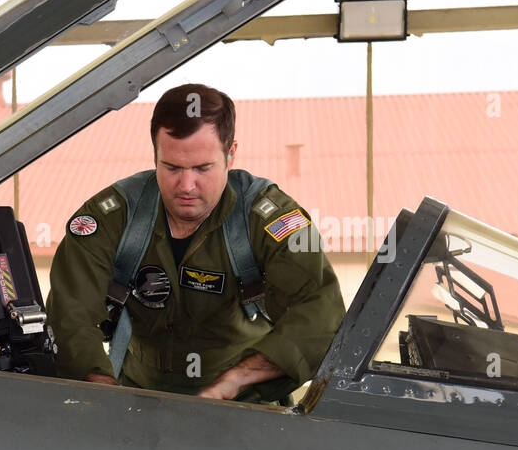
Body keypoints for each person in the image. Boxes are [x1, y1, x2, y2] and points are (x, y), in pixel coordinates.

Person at [46, 83, 344, 402]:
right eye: (172, 167)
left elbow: (321, 311)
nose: (186, 186)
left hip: (244, 404)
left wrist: (234, 382)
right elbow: (70, 314)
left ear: (231, 154)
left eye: (203, 168)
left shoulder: (267, 219)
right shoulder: (114, 217)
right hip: (135, 399)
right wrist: (104, 393)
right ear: (155, 156)